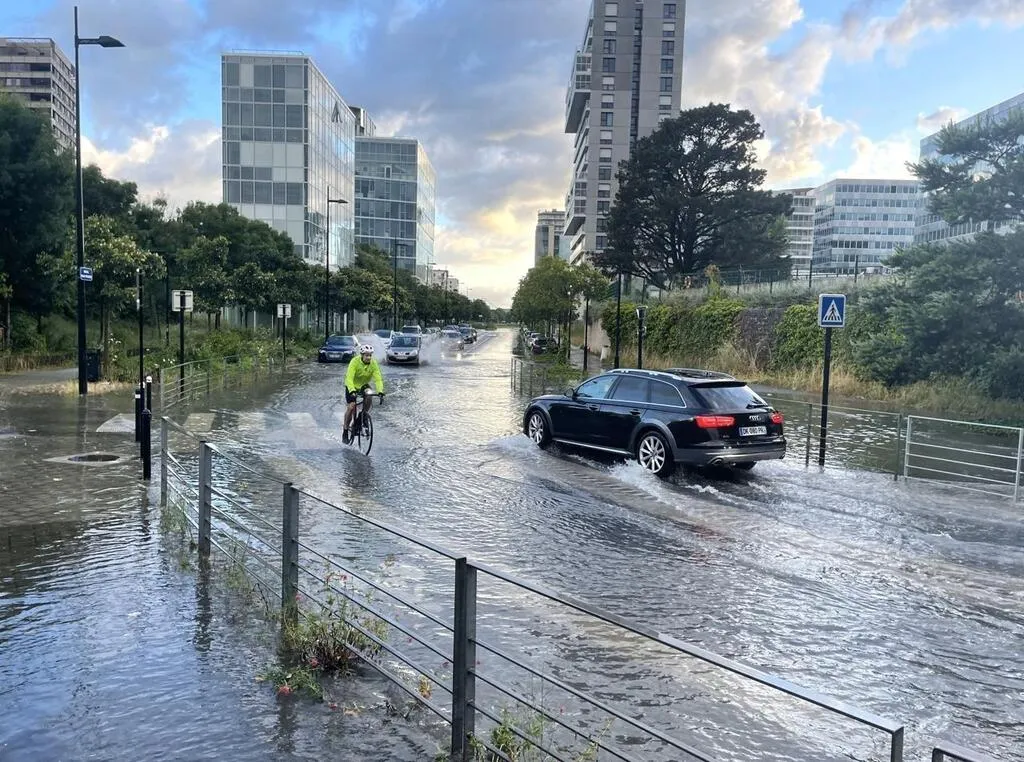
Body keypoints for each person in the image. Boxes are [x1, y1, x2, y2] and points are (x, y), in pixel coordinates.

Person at [343, 344, 384, 444]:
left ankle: (363, 415)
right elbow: (349, 377)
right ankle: (345, 430)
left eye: (370, 355)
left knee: (369, 394)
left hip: (363, 386)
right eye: (366, 355)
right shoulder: (355, 362)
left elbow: (378, 379)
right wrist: (352, 390)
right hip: (352, 386)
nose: (368, 357)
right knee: (351, 407)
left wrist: (380, 391)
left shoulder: (373, 363)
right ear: (362, 355)